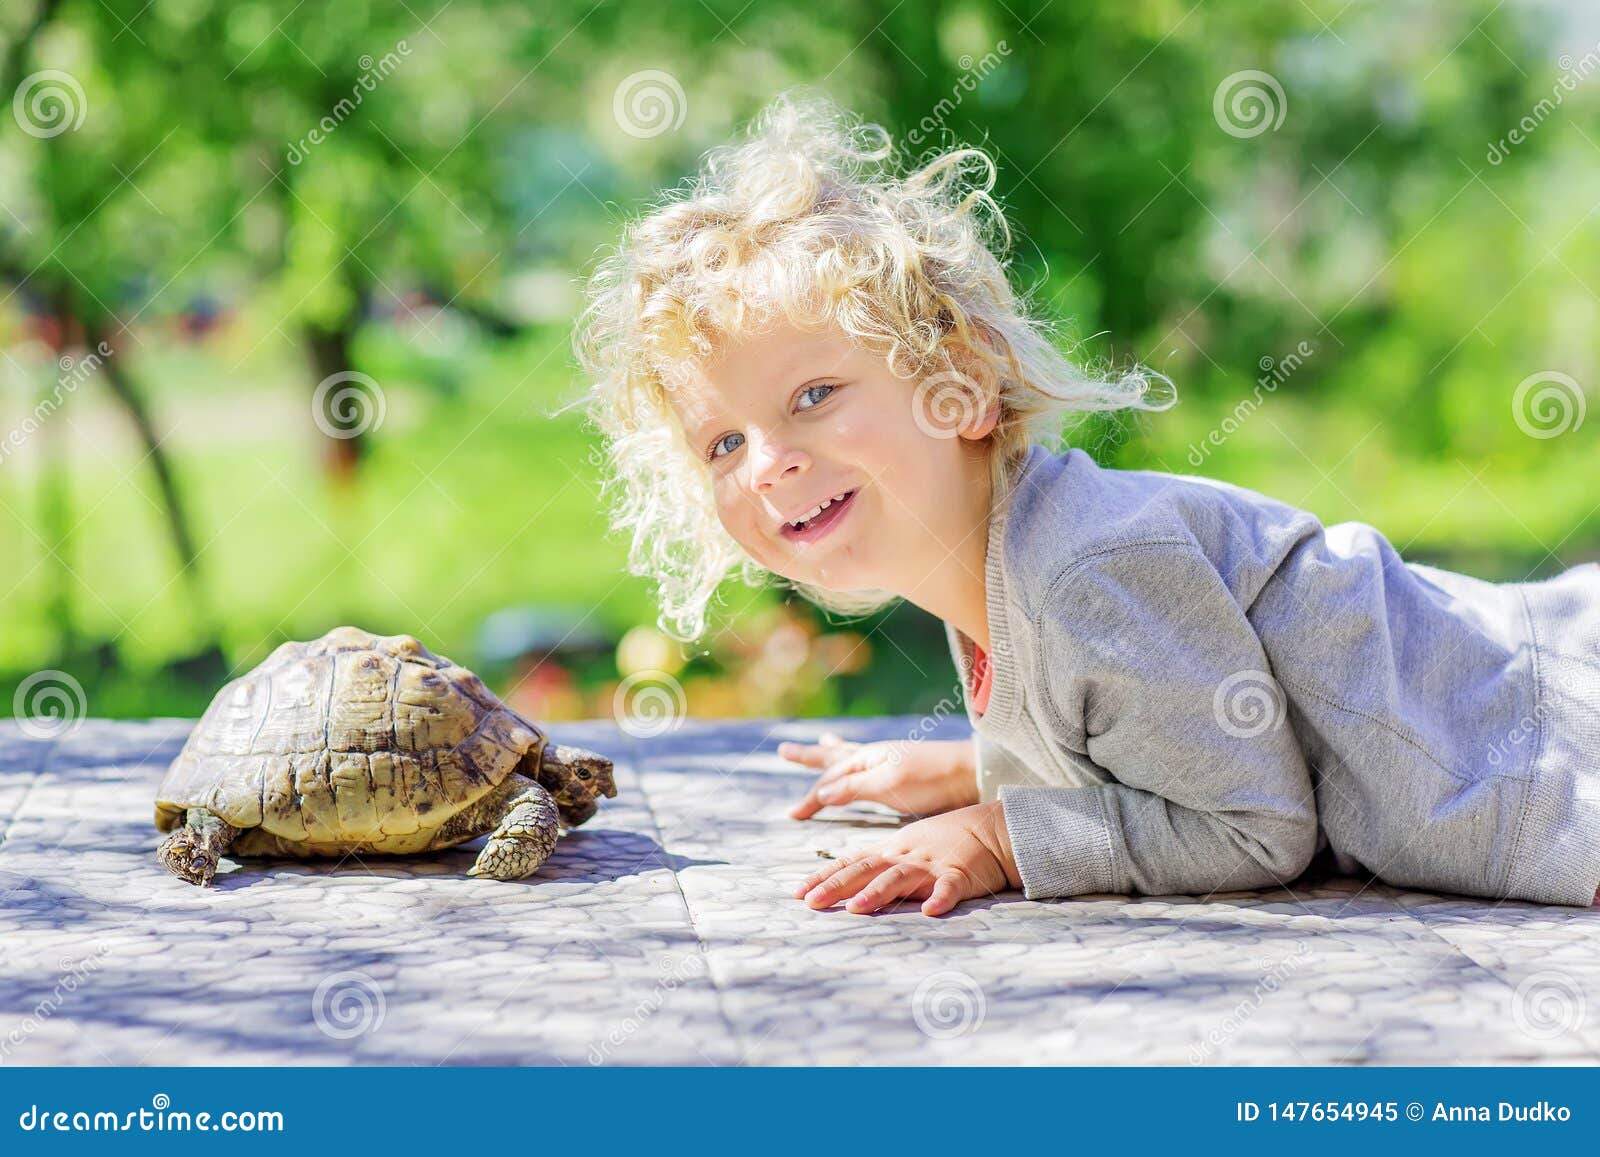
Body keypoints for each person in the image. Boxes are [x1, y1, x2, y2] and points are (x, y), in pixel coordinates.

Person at [573, 89, 1600, 917]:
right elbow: (1139, 726)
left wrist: (998, 832)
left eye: (812, 396)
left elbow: (1254, 824)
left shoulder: (1084, 570)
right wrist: (981, 767)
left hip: (1551, 739)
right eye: (723, 442)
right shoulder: (1000, 564)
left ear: (958, 383)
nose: (767, 463)